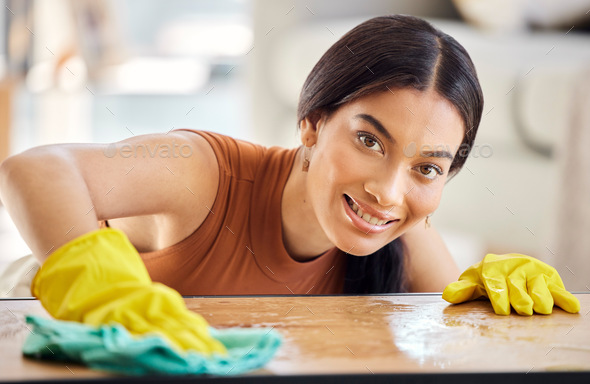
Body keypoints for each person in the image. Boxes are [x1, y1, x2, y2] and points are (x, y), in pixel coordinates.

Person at [0, 15, 579, 354]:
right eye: (370, 141)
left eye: (427, 168)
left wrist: (495, 304)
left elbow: (459, 339)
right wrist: (103, 291)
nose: (388, 192)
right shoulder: (203, 173)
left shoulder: (400, 232)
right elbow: (36, 168)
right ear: (311, 122)